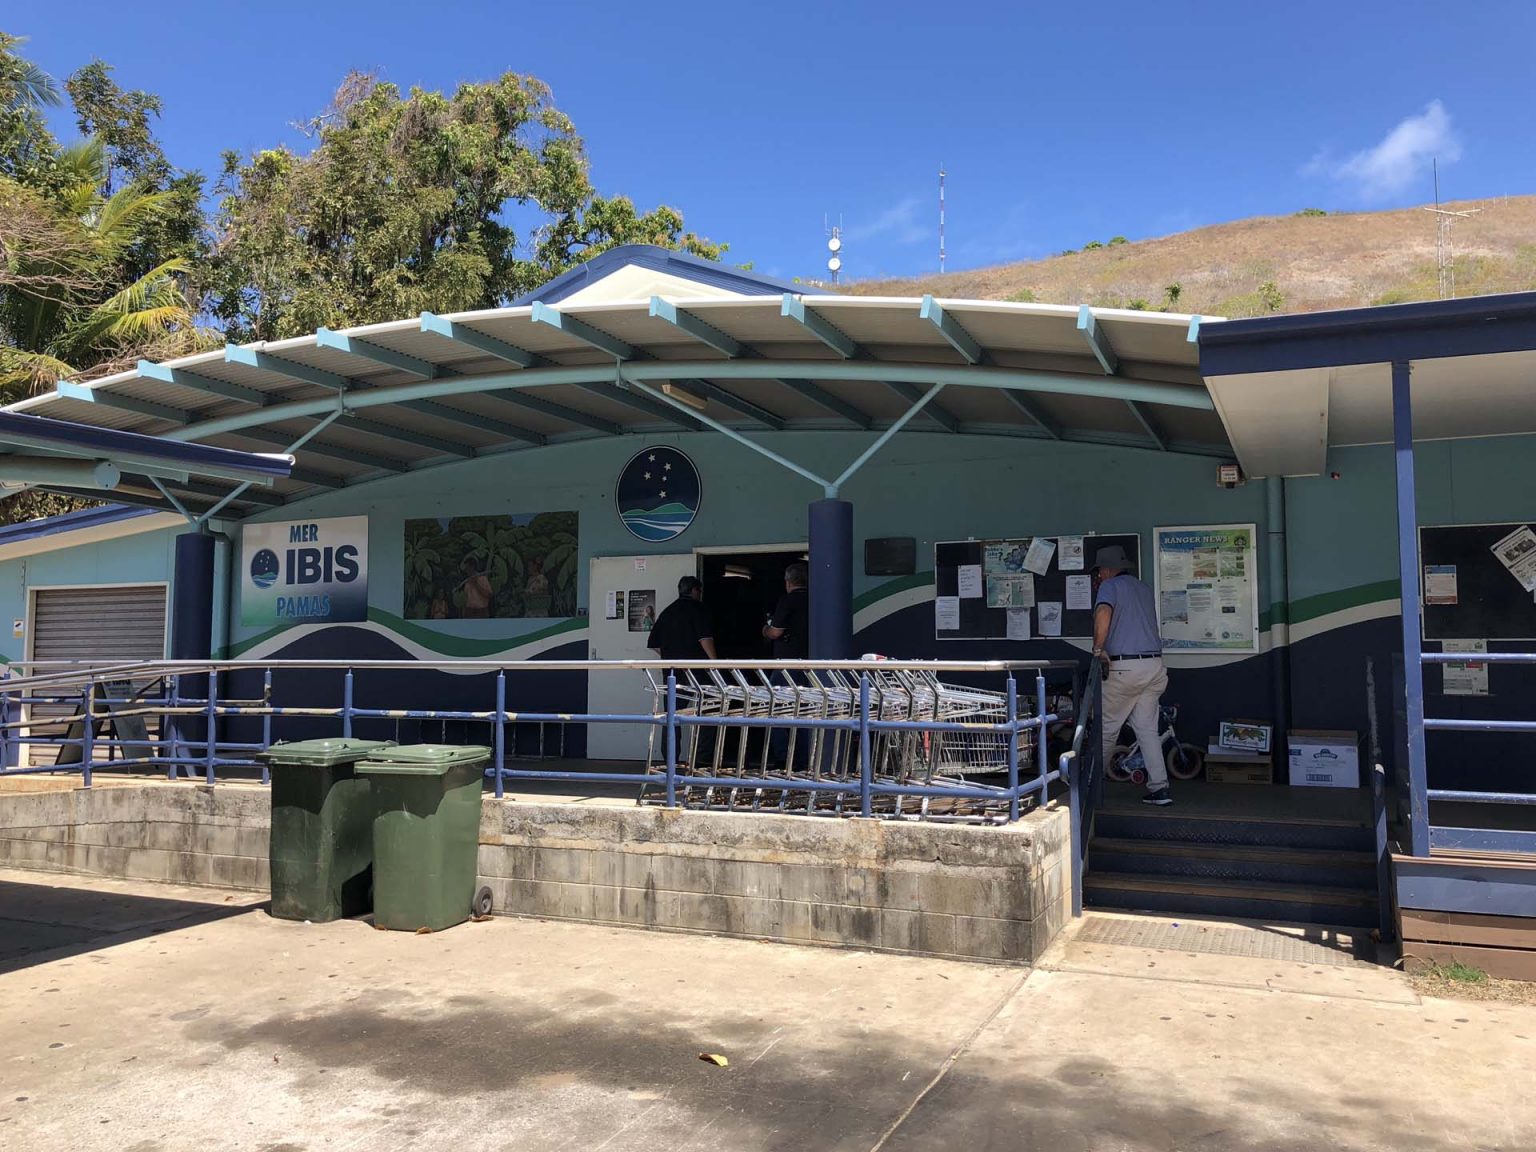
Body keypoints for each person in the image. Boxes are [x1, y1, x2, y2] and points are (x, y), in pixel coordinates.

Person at [1090, 545, 1172, 806]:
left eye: (1099, 572)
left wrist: (1098, 649)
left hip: (1125, 668)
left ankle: (1090, 785)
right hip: (1154, 667)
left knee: (1106, 728)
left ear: (1106, 569)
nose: (1098, 576)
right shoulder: (1144, 588)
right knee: (1147, 731)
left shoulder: (1109, 587)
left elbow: (1103, 613)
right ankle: (1160, 788)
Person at [763, 562, 810, 768]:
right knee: (808, 711)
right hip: (812, 665)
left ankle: (783, 757)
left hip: (786, 665)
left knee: (775, 708)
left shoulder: (787, 601)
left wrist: (764, 629)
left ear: (788, 582)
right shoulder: (817, 598)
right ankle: (805, 757)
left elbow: (776, 632)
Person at [648, 576, 717, 663]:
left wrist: (671, 656)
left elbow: (653, 644)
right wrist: (715, 664)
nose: (700, 593)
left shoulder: (666, 612)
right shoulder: (700, 610)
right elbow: (705, 639)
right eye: (699, 590)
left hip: (672, 669)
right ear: (694, 590)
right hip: (696, 669)